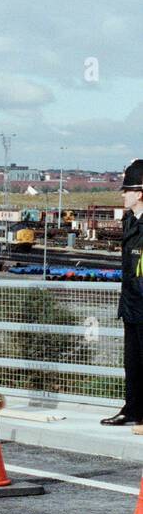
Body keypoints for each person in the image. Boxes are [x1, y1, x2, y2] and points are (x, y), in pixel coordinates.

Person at [106, 158, 143, 426]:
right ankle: (132, 410)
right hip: (131, 303)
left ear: (140, 193)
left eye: (127, 189)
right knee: (132, 362)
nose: (123, 194)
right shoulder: (131, 221)